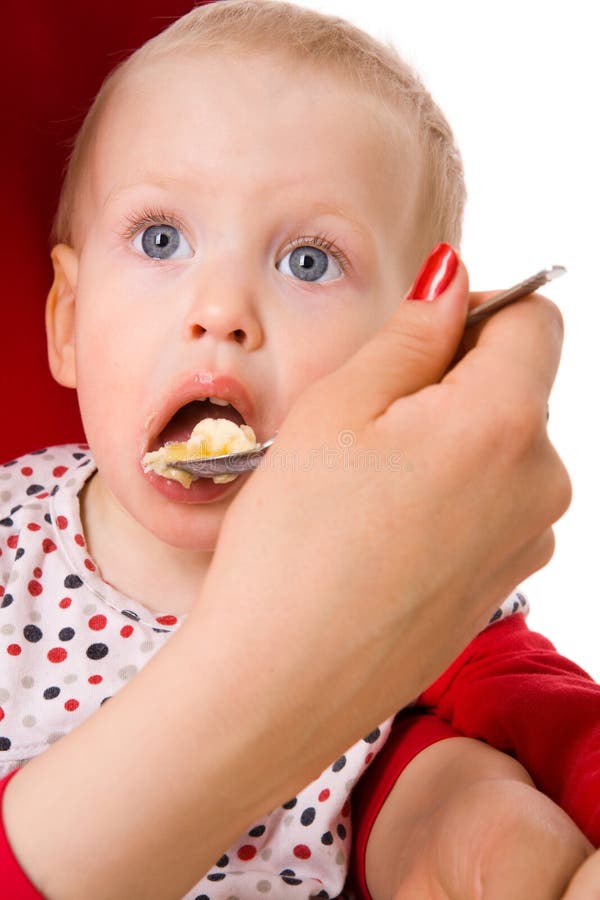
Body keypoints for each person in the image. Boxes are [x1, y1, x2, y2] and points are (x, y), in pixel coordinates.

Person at [0, 2, 597, 898]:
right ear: (66, 326)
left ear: (416, 350)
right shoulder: (10, 541)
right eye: (162, 239)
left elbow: (544, 711)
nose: (222, 308)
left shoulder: (403, 561)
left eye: (309, 262)